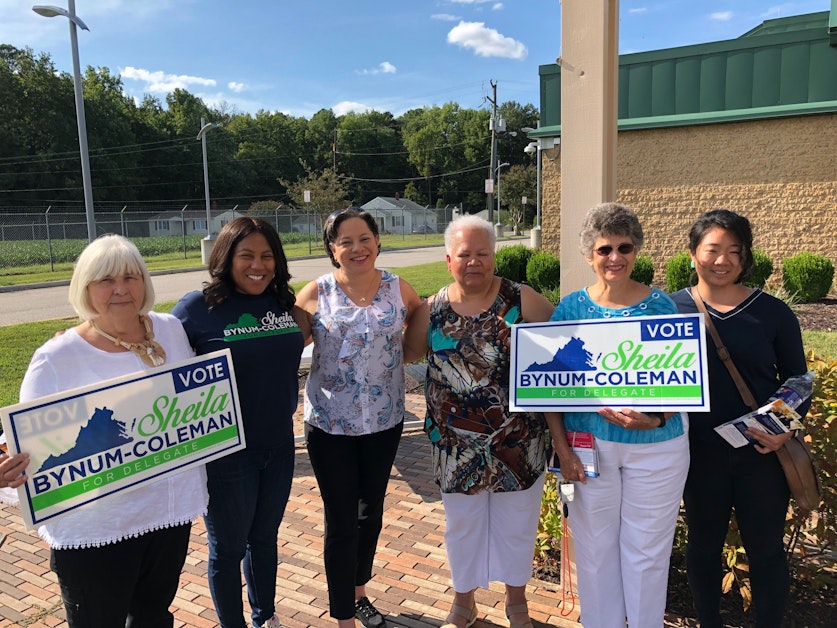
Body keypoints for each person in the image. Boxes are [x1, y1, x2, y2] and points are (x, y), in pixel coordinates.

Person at [14, 234, 208, 627]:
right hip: (96, 526)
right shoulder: (56, 357)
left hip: (166, 515)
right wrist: (9, 465)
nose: (121, 289)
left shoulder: (170, 331)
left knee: (152, 617)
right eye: (105, 280)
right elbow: (26, 442)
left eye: (131, 277)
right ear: (85, 288)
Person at [546, 202, 690, 627]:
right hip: (589, 449)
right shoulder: (569, 310)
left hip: (658, 449)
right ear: (589, 254)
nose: (615, 258)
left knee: (647, 552)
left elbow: (683, 379)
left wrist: (656, 418)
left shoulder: (663, 306)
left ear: (637, 250)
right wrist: (560, 447)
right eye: (604, 249)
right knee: (593, 549)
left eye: (624, 247)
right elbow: (548, 390)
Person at [414, 215, 556, 628]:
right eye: (464, 255)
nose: (473, 261)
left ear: (494, 256)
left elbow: (567, 344)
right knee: (462, 527)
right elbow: (405, 353)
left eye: (482, 253)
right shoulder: (433, 309)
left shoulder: (522, 299)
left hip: (519, 441)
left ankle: (516, 600)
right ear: (448, 260)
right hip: (456, 446)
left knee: (517, 524)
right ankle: (464, 601)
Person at [671, 209, 808, 628]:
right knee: (703, 547)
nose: (722, 260)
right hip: (698, 454)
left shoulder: (772, 312)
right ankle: (708, 621)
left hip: (761, 454)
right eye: (712, 249)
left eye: (734, 251)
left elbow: (799, 378)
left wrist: (782, 431)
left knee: (765, 549)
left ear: (745, 257)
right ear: (693, 253)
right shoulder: (669, 308)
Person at [172, 217, 307, 628]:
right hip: (225, 454)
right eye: (246, 255)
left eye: (267, 256)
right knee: (228, 549)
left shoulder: (284, 304)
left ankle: (265, 617)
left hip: (280, 445)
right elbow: (155, 360)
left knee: (264, 539)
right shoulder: (197, 309)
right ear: (226, 258)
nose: (258, 265)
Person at [295, 207, 424, 628]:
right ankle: (343, 616)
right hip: (330, 424)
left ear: (377, 241)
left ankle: (359, 592)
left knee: (371, 513)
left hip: (385, 421)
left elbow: (418, 339)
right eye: (345, 241)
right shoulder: (315, 293)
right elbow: (281, 349)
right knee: (341, 518)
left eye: (364, 238)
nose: (357, 248)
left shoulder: (399, 289)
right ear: (332, 249)